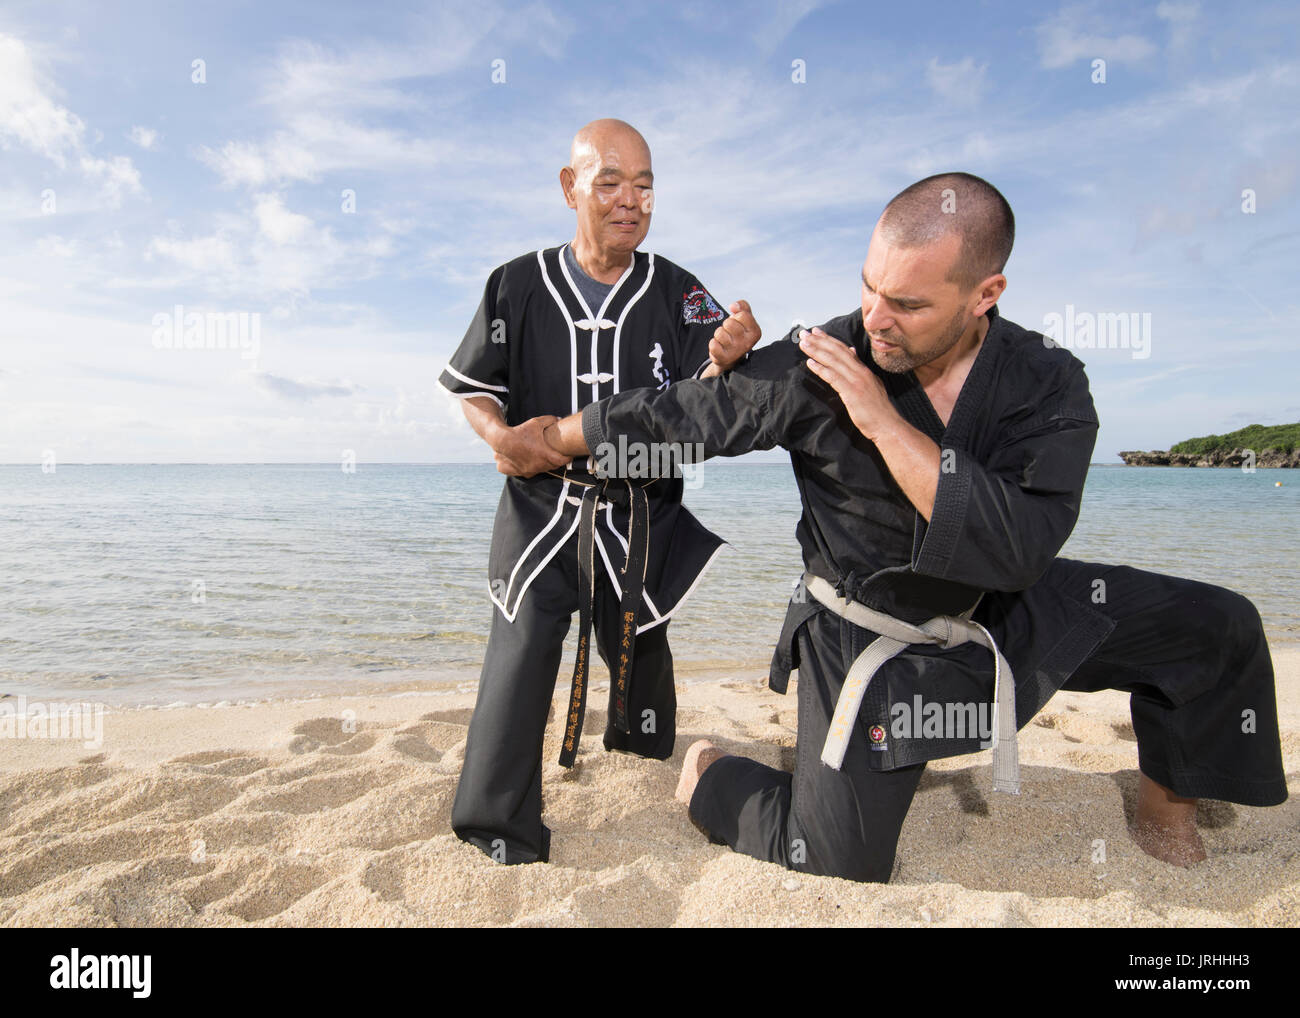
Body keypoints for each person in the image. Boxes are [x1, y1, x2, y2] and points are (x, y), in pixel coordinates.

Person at [540, 171, 1288, 882]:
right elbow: (684, 417)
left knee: (1216, 625)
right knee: (833, 861)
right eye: (868, 286)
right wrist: (553, 437)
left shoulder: (1047, 381)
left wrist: (881, 420)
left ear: (984, 295)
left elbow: (1020, 547)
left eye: (907, 303)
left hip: (1001, 603)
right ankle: (713, 775)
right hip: (866, 628)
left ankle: (1166, 805)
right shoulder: (823, 358)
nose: (874, 318)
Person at [439, 118, 761, 865]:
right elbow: (472, 390)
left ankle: (644, 758)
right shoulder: (516, 284)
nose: (630, 200)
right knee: (518, 655)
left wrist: (728, 355)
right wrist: (500, 439)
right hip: (540, 506)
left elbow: (709, 401)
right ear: (569, 186)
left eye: (645, 185)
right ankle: (499, 830)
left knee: (643, 651)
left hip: (640, 510)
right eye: (610, 181)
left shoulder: (679, 292)